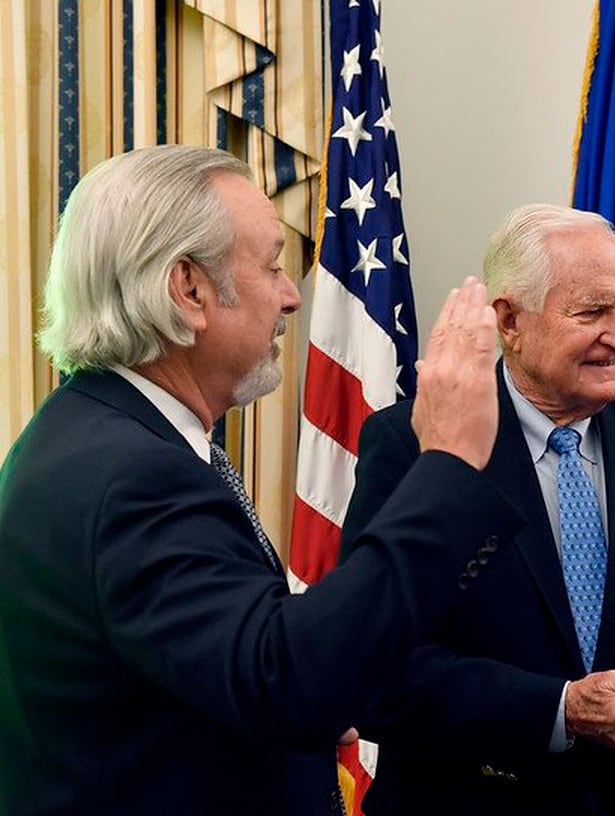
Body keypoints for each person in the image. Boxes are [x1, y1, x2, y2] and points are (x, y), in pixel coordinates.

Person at [0, 144, 522, 815]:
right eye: (273, 265)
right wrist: (447, 463)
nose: (291, 295)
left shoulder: (100, 434)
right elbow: (285, 681)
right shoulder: (134, 473)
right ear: (188, 290)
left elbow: (232, 670)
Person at [339, 203, 615, 815]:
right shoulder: (416, 443)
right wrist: (561, 710)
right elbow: (373, 670)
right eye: (592, 312)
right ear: (509, 321)